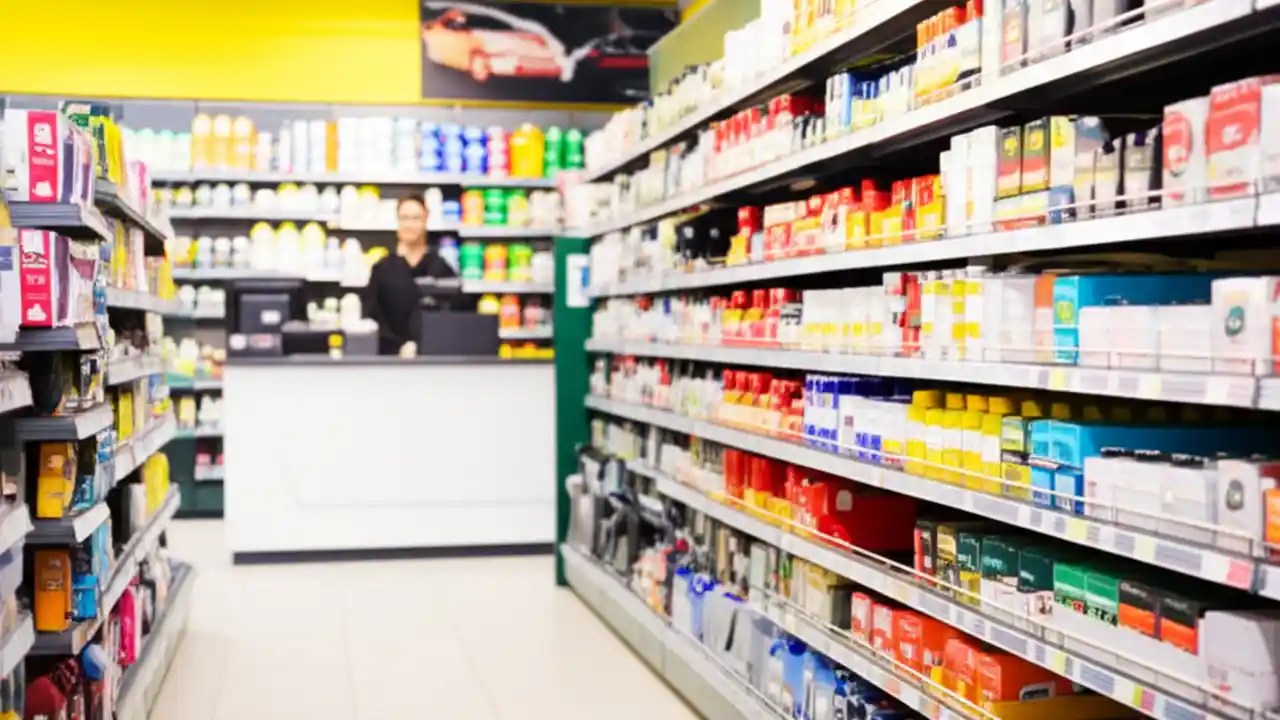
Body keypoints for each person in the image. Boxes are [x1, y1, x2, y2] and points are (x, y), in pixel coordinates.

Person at [364, 194, 457, 356]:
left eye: (416, 218)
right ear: (397, 222)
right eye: (404, 218)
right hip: (389, 360)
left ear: (426, 221)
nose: (410, 224)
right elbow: (371, 316)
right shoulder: (382, 268)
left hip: (434, 360)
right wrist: (397, 348)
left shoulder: (441, 268)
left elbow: (453, 318)